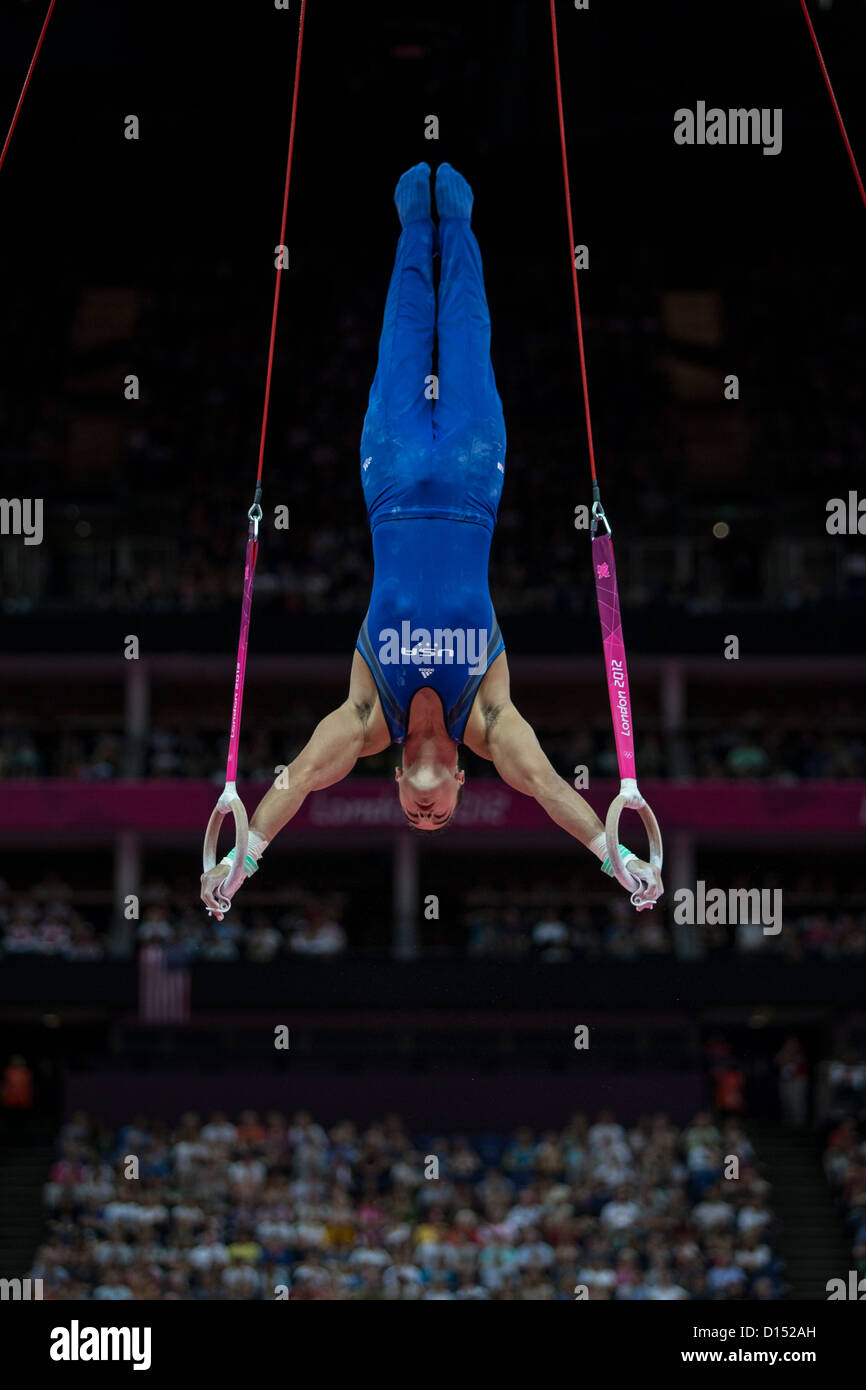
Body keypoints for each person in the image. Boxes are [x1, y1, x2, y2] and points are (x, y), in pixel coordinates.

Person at [201, 163, 662, 919]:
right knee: (469, 333)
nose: (425, 813)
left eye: (417, 816)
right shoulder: (487, 720)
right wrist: (617, 858)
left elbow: (295, 779)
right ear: (458, 787)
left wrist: (241, 856)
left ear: (393, 784)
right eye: (438, 814)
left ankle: (416, 221)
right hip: (475, 480)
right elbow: (549, 787)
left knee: (405, 333)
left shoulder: (365, 717)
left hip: (391, 479)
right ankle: (462, 222)